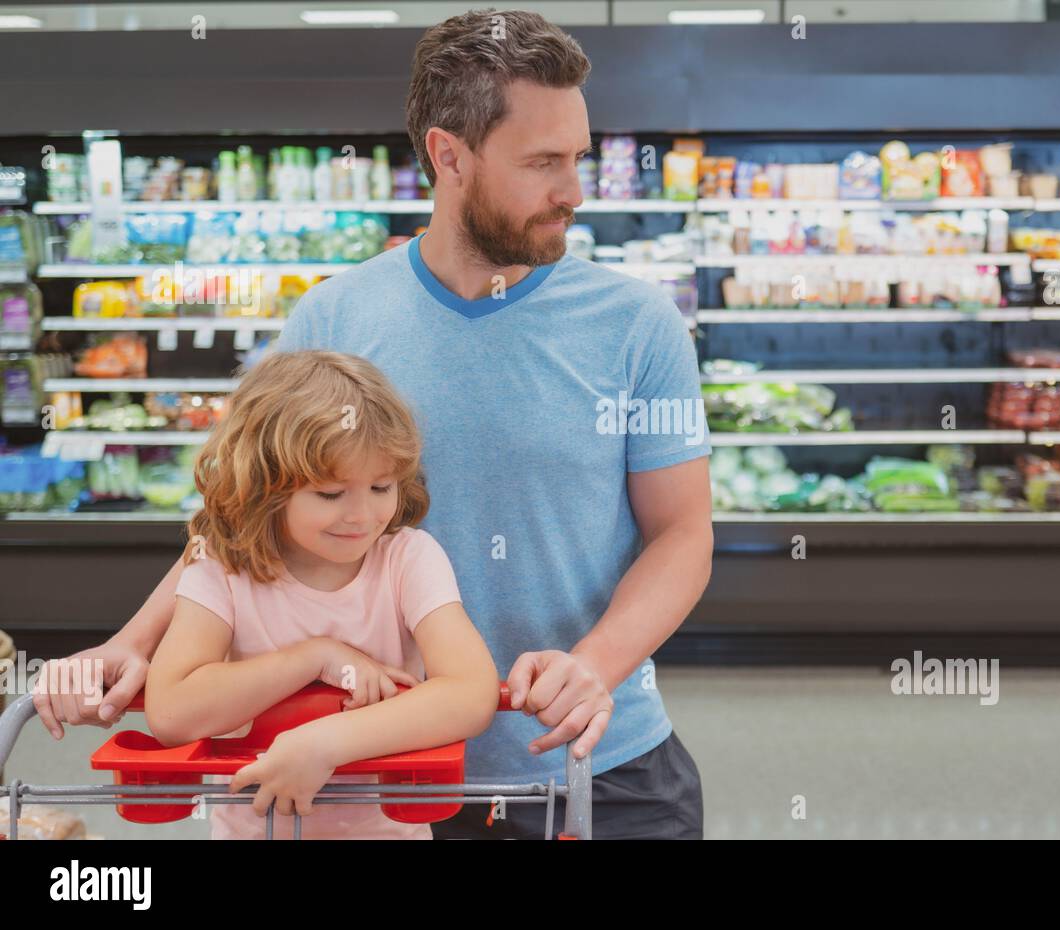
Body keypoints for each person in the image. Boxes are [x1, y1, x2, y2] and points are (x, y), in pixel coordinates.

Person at [34, 8, 713, 840]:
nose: (573, 190)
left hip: (595, 762)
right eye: (543, 164)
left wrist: (594, 667)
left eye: (576, 158)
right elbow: (242, 519)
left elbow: (682, 535)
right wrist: (137, 640)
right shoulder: (334, 317)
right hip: (383, 780)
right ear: (447, 155)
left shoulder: (639, 324)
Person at [146, 349, 499, 839]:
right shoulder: (222, 568)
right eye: (331, 494)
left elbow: (470, 692)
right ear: (263, 484)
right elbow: (170, 712)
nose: (362, 515)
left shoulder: (407, 559)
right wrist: (315, 657)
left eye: (381, 486)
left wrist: (323, 744)